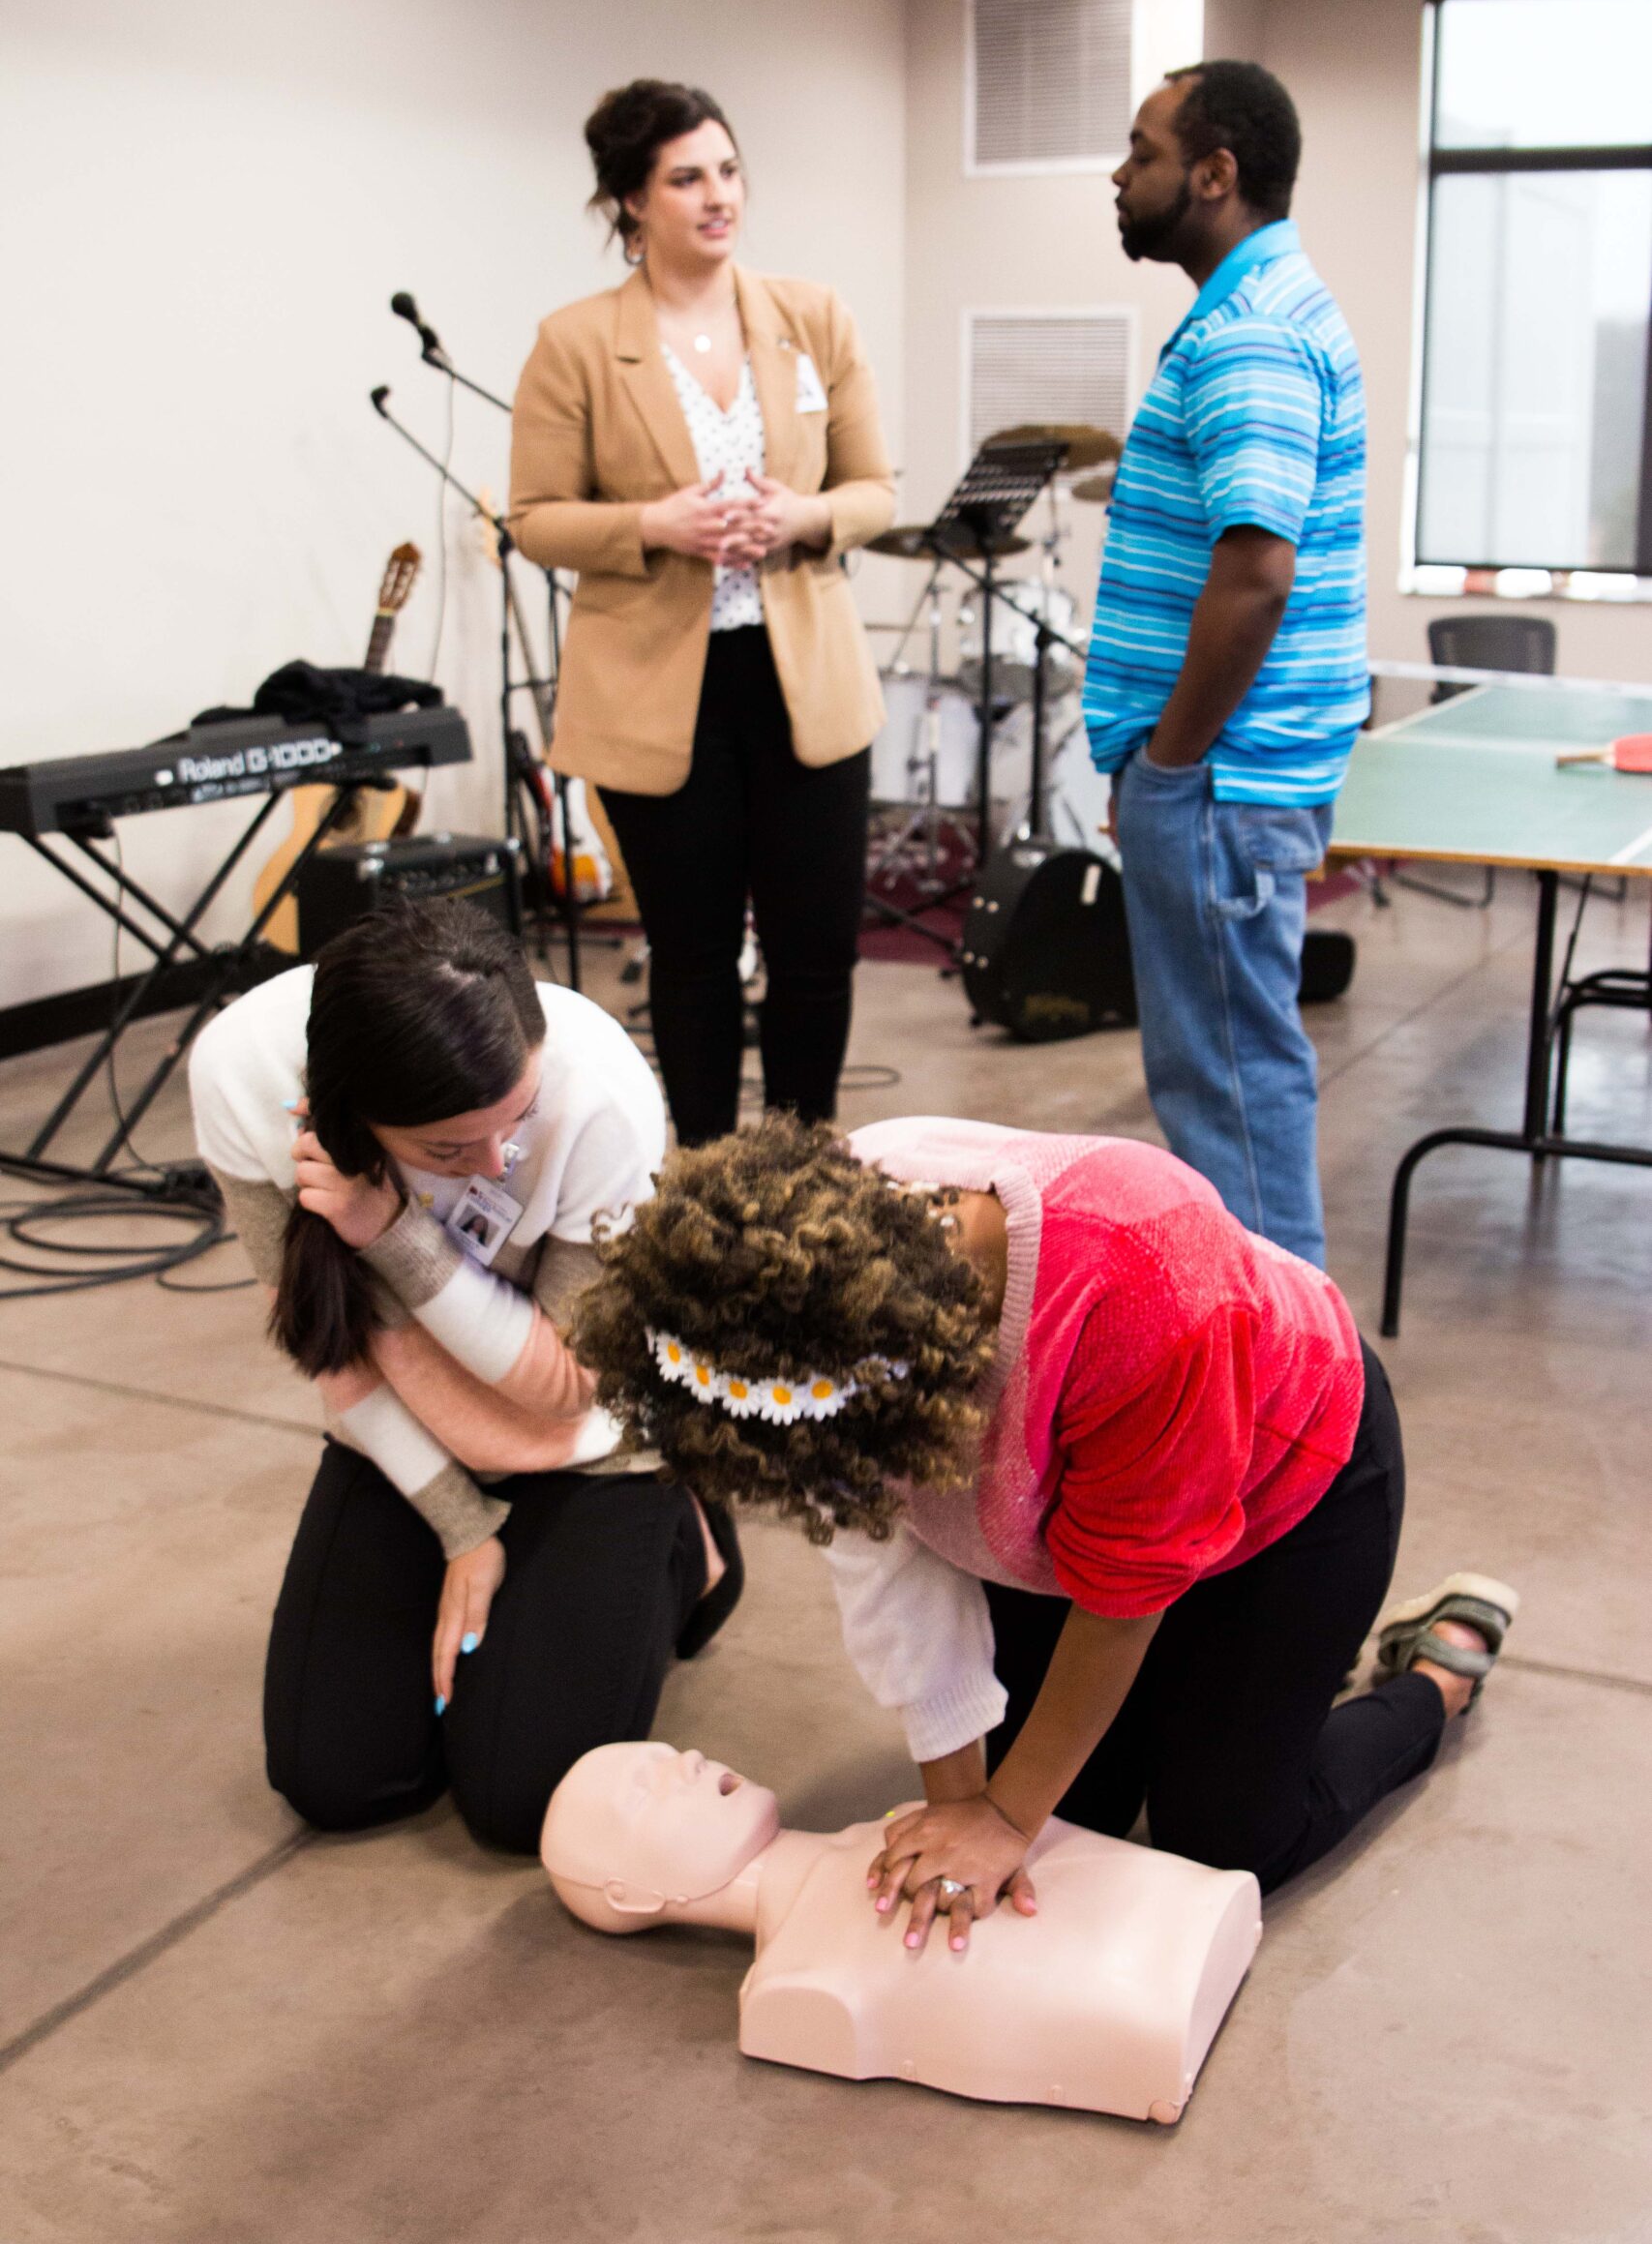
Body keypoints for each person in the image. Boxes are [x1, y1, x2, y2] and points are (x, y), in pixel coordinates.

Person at [570, 1113, 1517, 1934]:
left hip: (1291, 1477)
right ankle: (1254, 1686)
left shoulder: (1144, 1279)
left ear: (897, 1370)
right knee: (1088, 1814)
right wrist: (964, 1807)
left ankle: (1437, 1671)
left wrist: (1007, 1821)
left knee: (1227, 1838)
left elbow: (1121, 1602)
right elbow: (887, 1562)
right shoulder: (810, 1280)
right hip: (1049, 1516)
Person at [187, 897, 742, 1856]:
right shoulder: (243, 1072)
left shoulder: (602, 1088)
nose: (495, 1160)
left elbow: (569, 1382)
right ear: (344, 1114)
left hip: (595, 1427)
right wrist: (462, 1523)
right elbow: (331, 1346)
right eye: (449, 1149)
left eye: (517, 1120)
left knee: (521, 1801)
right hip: (419, 1408)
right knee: (338, 1778)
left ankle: (686, 1534)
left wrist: (392, 1235)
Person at [509, 78, 896, 1146]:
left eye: (728, 171)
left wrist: (806, 513)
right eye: (687, 178)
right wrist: (654, 524)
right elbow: (535, 518)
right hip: (657, 694)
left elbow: (877, 491)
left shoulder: (813, 318)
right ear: (629, 201)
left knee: (819, 954)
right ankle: (711, 1185)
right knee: (693, 957)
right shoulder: (575, 342)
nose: (719, 196)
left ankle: (807, 1177)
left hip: (803, 678)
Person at [1083, 59, 1370, 1269]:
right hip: (1226, 780)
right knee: (1231, 1086)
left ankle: (1282, 1424)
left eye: (1142, 151)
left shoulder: (1249, 332)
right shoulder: (1260, 311)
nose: (1119, 172)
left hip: (1217, 782)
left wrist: (1168, 763)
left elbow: (1256, 575)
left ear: (1215, 173)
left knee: (1232, 1106)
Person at [541, 1739, 1262, 2123]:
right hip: (1156, 2017)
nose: (689, 1761)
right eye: (648, 1788)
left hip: (1197, 1913)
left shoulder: (894, 1821)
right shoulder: (791, 1989)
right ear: (626, 1894)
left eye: (669, 1753)